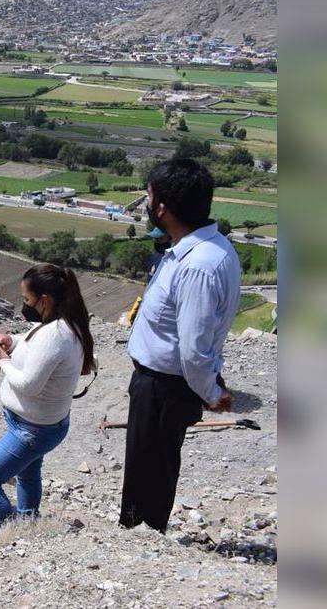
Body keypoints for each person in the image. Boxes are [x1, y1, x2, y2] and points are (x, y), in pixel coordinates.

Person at [120, 158, 240, 532]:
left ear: (163, 208)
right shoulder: (194, 250)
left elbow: (193, 348)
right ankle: (139, 536)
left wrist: (211, 391)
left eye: (149, 197)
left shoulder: (198, 266)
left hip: (165, 388)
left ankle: (141, 544)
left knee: (149, 474)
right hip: (160, 384)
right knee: (148, 468)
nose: (146, 205)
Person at [0, 264, 96, 522]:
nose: (25, 304)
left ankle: (12, 527)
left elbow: (29, 384)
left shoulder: (55, 334)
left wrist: (4, 360)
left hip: (32, 430)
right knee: (28, 473)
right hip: (39, 424)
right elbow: (35, 346)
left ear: (45, 299)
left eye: (27, 299)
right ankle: (29, 519)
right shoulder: (62, 323)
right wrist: (13, 341)